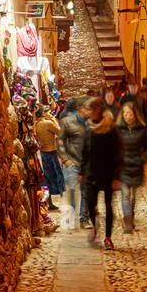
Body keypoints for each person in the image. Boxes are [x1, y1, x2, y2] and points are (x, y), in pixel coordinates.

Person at [79, 98, 123, 249]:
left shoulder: (111, 128)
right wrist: (81, 172)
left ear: (98, 110)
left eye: (91, 109)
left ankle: (108, 238)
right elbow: (85, 151)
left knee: (109, 206)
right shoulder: (89, 128)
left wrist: (117, 176)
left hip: (108, 173)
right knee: (91, 204)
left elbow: (118, 153)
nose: (88, 112)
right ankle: (95, 225)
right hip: (92, 173)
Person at [116, 102, 147, 232]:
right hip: (124, 166)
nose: (127, 116)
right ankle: (128, 222)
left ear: (135, 114)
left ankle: (131, 217)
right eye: (125, 113)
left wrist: (143, 159)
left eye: (129, 113)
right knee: (125, 194)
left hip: (137, 165)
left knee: (133, 196)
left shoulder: (142, 129)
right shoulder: (118, 129)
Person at [59, 97, 91, 227]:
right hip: (72, 161)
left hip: (86, 163)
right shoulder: (67, 122)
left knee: (85, 192)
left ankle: (84, 218)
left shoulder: (91, 123)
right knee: (71, 190)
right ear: (80, 109)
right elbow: (60, 140)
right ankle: (71, 217)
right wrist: (65, 159)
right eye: (88, 108)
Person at [35, 106, 64, 209]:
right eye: (48, 112)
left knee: (46, 178)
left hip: (42, 153)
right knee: (52, 177)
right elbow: (60, 132)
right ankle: (48, 202)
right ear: (43, 114)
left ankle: (47, 202)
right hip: (50, 152)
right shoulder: (48, 123)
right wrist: (53, 120)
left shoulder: (37, 124)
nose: (50, 114)